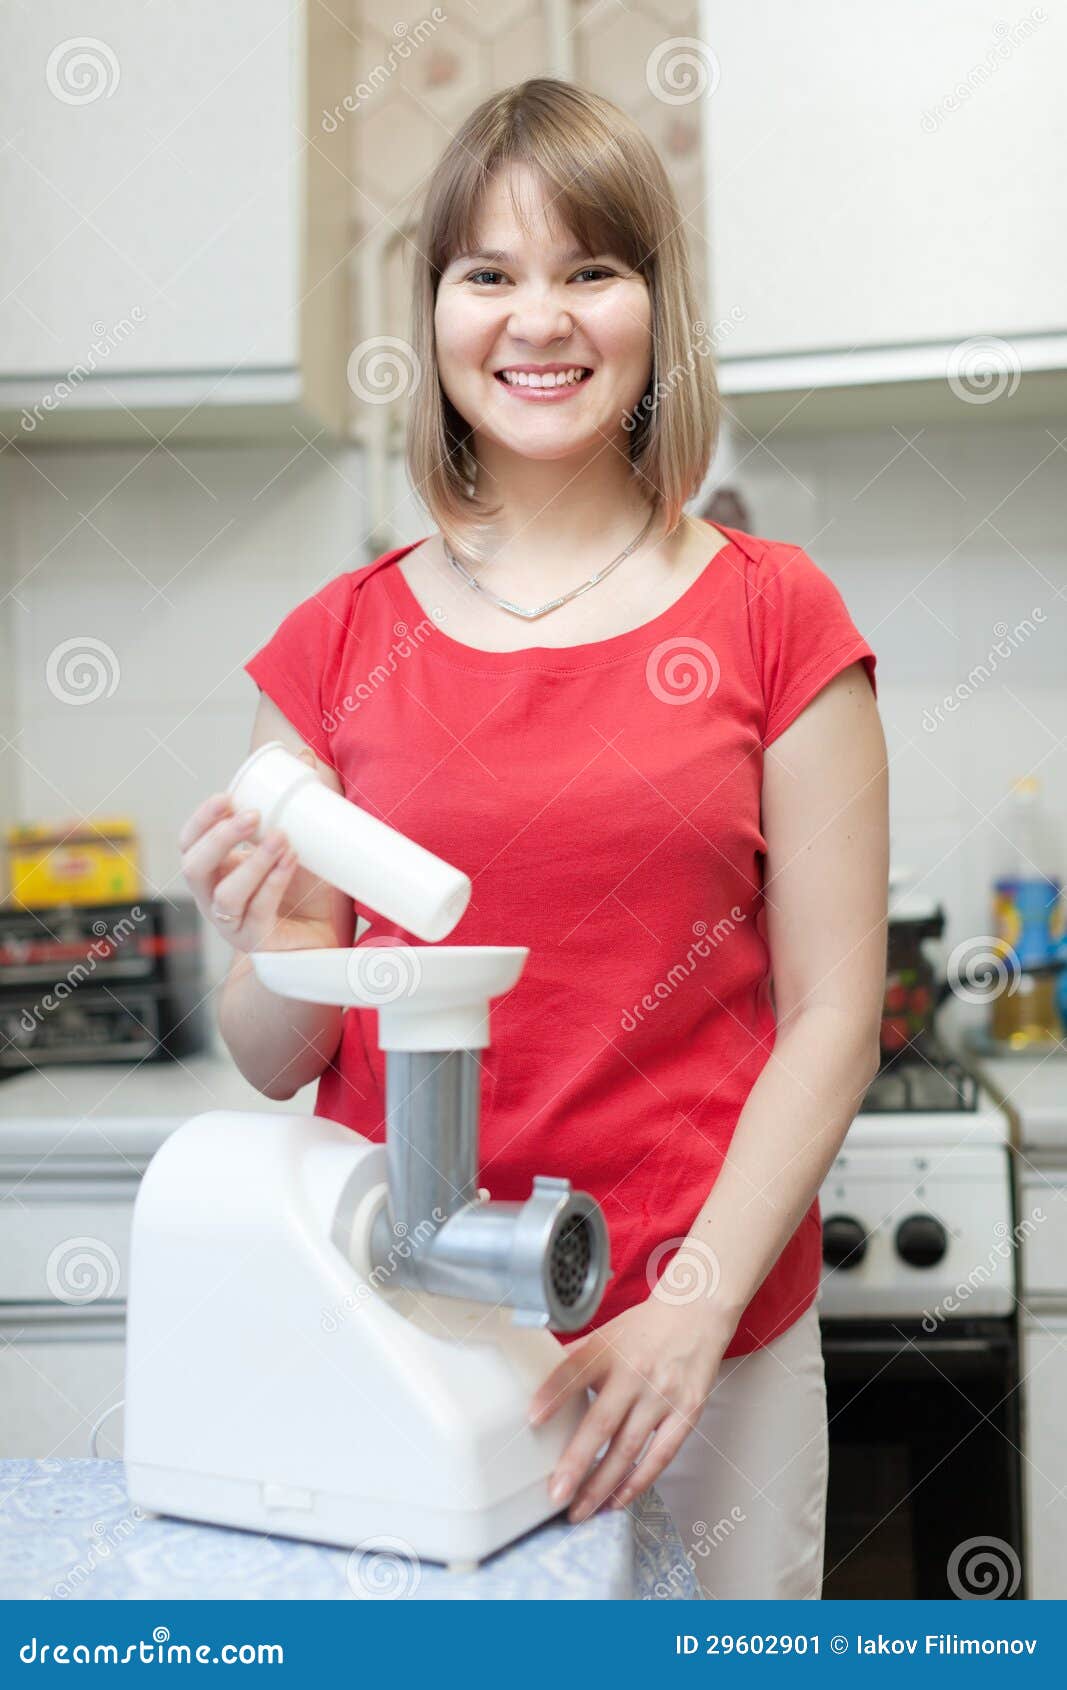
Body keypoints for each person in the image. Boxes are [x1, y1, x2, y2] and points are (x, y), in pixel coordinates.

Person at [178, 78, 888, 1599]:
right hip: (411, 1335)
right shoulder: (334, 642)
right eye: (487, 275)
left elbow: (834, 1015)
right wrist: (275, 939)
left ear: (653, 310)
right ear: (433, 315)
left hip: (702, 1350)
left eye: (589, 270)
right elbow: (272, 1049)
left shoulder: (777, 616)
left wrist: (693, 1306)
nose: (537, 319)